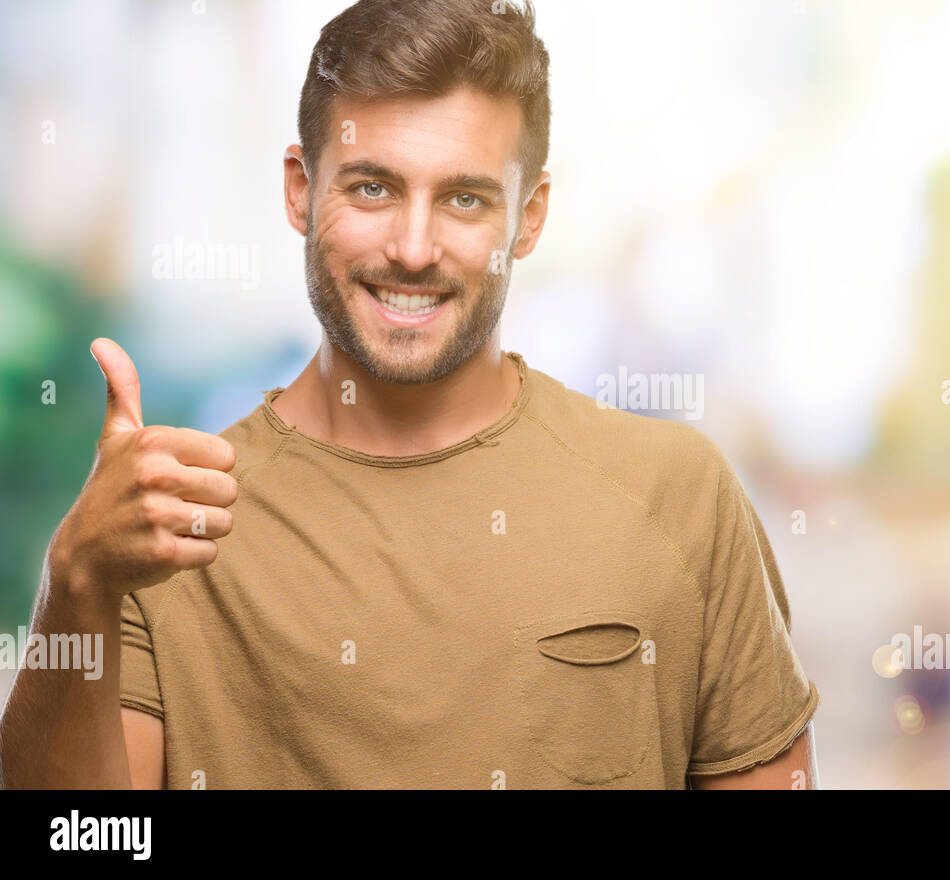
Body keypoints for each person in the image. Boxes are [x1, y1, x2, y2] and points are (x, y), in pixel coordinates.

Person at [0, 0, 818, 789]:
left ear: (528, 219)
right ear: (299, 188)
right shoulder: (169, 528)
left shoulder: (679, 496)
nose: (414, 247)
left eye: (464, 198)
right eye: (371, 188)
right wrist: (75, 577)